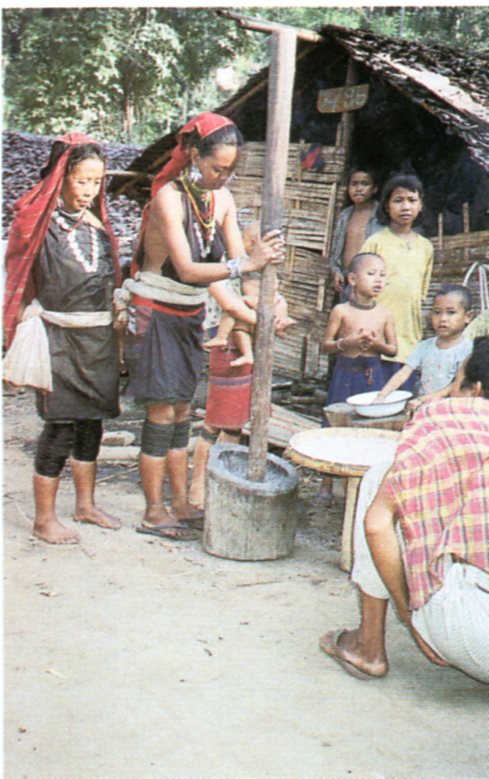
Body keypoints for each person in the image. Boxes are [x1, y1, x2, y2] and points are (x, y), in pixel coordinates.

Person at [118, 112, 284, 540]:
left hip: (190, 315)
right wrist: (247, 263)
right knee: (161, 412)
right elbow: (192, 270)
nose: (223, 177)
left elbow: (239, 277)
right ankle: (154, 510)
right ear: (193, 156)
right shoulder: (168, 198)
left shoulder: (222, 201)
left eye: (231, 170)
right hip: (155, 312)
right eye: (217, 168)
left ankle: (178, 503)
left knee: (181, 413)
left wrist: (268, 305)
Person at [319, 336, 489, 684]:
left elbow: (377, 525)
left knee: (382, 478)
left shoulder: (444, 417)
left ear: (475, 388)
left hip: (476, 636)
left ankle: (369, 648)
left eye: (456, 378)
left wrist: (407, 612)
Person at [3, 133, 122, 545]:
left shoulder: (97, 225)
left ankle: (85, 505)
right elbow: (18, 277)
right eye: (81, 181)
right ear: (62, 177)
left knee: (92, 424)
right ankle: (43, 519)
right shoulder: (38, 225)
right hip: (58, 337)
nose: (89, 191)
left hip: (99, 338)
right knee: (60, 426)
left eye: (96, 182)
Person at [317, 252, 398, 503]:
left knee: (369, 427)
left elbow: (393, 350)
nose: (378, 280)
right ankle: (327, 481)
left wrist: (377, 344)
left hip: (372, 375)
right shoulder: (341, 311)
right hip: (345, 373)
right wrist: (346, 342)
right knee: (334, 424)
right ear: (352, 278)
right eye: (371, 274)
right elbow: (325, 345)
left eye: (382, 275)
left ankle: (366, 484)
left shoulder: (384, 314)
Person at [361, 173, 434, 391]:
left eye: (412, 201)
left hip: (408, 334)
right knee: (372, 391)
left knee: (400, 392)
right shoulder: (375, 242)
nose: (405, 207)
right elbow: (360, 291)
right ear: (386, 206)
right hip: (376, 334)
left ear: (420, 205)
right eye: (398, 200)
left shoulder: (425, 247)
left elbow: (420, 293)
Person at [203, 221, 296, 366]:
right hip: (258, 311)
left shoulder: (250, 263)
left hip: (248, 312)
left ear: (253, 241)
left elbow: (233, 305)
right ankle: (281, 320)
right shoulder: (258, 263)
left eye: (243, 239)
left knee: (238, 326)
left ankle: (227, 340)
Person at [375, 284, 473, 410]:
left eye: (451, 313)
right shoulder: (424, 346)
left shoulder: (468, 350)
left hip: (450, 407)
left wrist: (423, 399)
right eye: (437, 312)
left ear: (467, 317)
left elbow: (455, 385)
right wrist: (382, 395)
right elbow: (404, 372)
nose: (442, 319)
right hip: (423, 406)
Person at [328, 167, 382, 298]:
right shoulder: (344, 216)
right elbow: (336, 249)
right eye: (354, 184)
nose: (358, 189)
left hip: (372, 279)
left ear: (374, 189)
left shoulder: (381, 215)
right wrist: (336, 271)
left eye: (365, 184)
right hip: (347, 278)